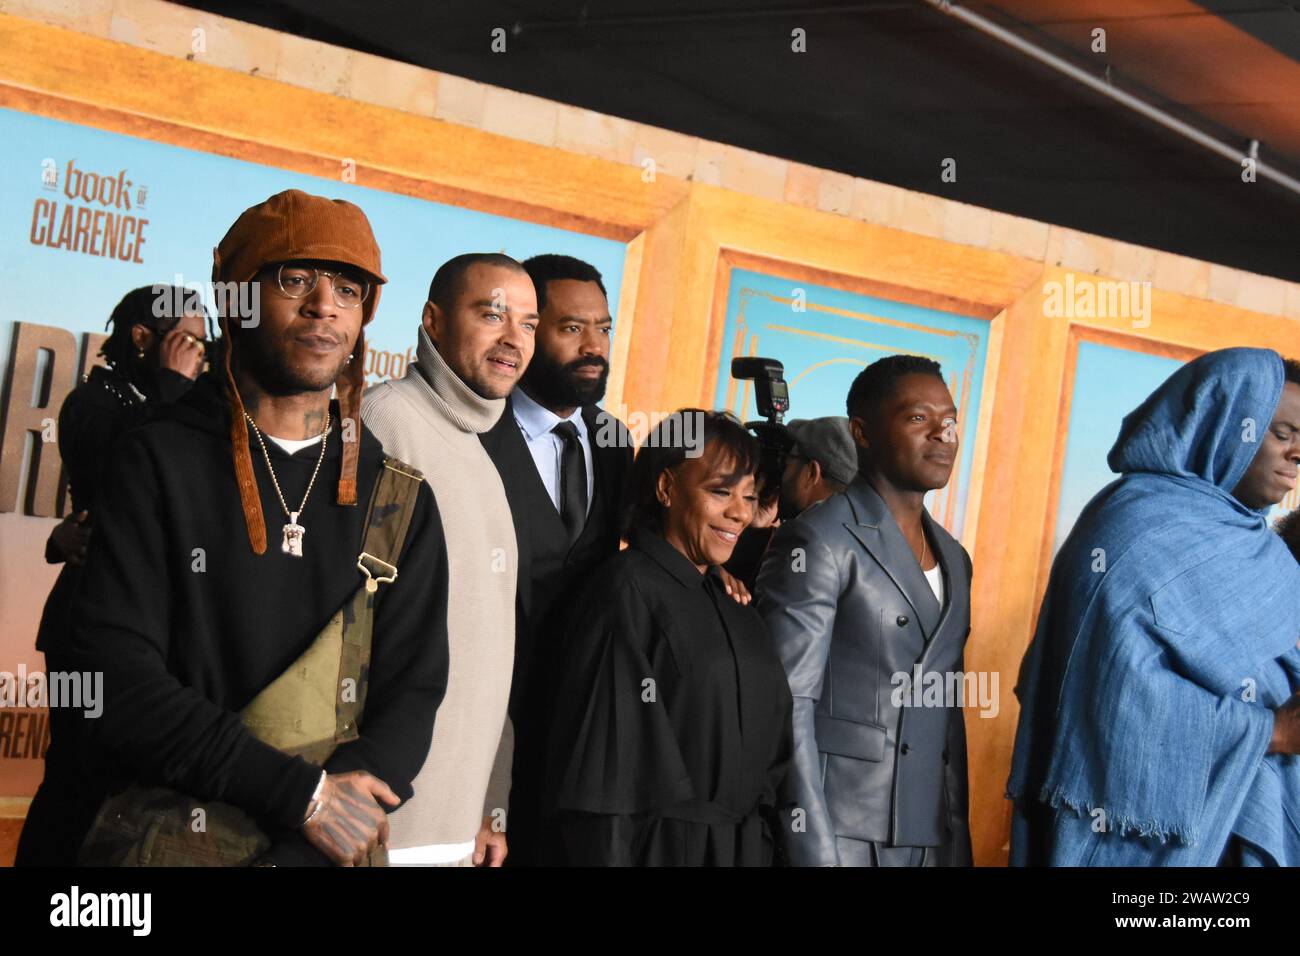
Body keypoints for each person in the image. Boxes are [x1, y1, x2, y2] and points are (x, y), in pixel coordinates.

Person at [68, 188, 450, 866]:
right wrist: (303, 798)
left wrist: (322, 829)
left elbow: (413, 690)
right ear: (235, 298)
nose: (323, 305)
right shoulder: (157, 461)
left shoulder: (396, 496)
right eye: (293, 279)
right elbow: (116, 680)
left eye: (348, 288)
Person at [1008, 347, 1300, 866]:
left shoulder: (1267, 551)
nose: (1298, 453)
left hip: (1240, 825)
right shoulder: (1133, 529)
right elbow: (1105, 701)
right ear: (1225, 422)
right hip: (1128, 839)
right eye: (1282, 433)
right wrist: (1267, 732)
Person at [543, 410, 792, 866]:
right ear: (666, 488)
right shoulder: (624, 592)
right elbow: (603, 787)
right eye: (720, 492)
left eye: (749, 496)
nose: (739, 512)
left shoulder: (737, 606)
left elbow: (776, 762)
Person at [16, 285, 209, 867]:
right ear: (143, 338)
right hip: (86, 631)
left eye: (202, 344)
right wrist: (174, 388)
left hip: (157, 631)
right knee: (78, 777)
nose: (197, 354)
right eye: (186, 341)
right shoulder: (92, 404)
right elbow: (134, 482)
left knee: (133, 788)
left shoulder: (190, 402)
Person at [756, 355, 974, 867]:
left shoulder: (955, 558)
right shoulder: (819, 538)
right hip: (840, 835)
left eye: (950, 420)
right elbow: (787, 706)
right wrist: (814, 851)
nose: (943, 434)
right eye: (918, 418)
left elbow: (948, 722)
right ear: (863, 431)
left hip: (926, 840)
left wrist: (956, 844)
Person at [362, 252, 533, 867]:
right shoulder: (386, 422)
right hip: (381, 824)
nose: (514, 339)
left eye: (529, 324)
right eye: (492, 314)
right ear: (432, 320)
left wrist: (490, 802)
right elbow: (354, 622)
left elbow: (491, 645)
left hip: (457, 829)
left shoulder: (480, 454)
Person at [478, 253, 633, 864]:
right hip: (475, 722)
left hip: (572, 740)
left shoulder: (616, 443)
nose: (593, 346)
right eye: (572, 329)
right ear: (526, 329)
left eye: (604, 328)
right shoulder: (475, 428)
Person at [724, 415, 856, 591]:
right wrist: (755, 529)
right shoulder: (859, 549)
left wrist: (715, 573)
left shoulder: (801, 545)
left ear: (811, 474)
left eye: (788, 461)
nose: (783, 473)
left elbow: (758, 613)